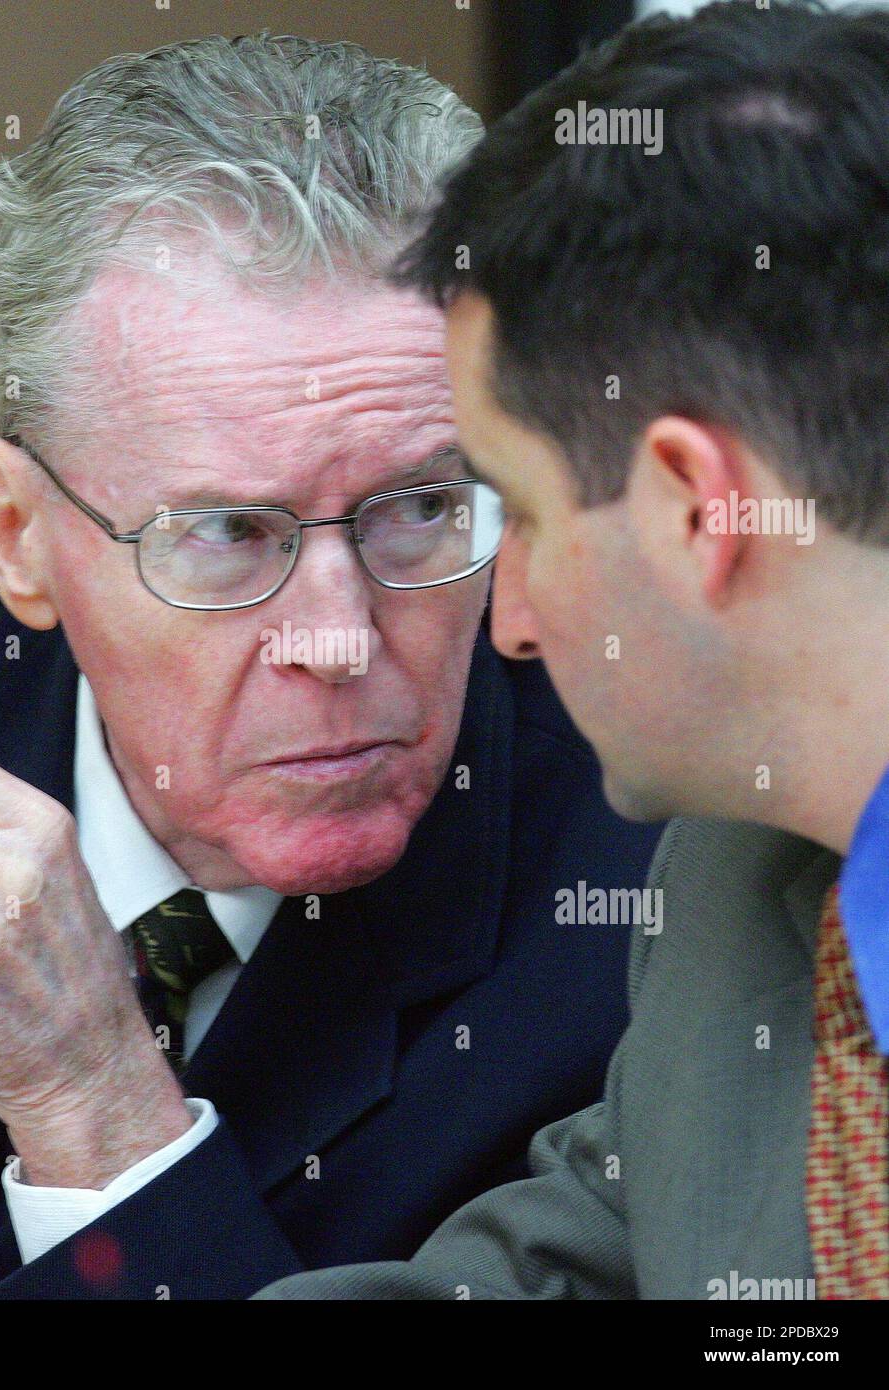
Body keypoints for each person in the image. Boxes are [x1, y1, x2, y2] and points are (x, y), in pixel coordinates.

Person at [0, 34, 660, 1300]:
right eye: (227, 535)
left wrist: (93, 1103)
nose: (338, 637)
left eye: (421, 509)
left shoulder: (654, 899)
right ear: (17, 534)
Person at [259, 0, 889, 1301]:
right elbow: (582, 1264)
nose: (513, 623)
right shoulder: (735, 877)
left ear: (694, 510)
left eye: (518, 510)